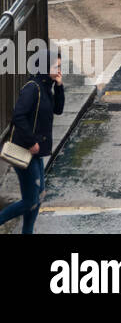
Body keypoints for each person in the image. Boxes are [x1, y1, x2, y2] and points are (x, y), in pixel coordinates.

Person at [0, 51, 64, 234]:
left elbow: (58, 110)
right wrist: (30, 142)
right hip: (25, 149)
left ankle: (27, 231)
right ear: (44, 68)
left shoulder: (46, 87)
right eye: (56, 67)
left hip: (35, 151)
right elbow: (18, 116)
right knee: (30, 200)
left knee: (38, 195)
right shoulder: (32, 88)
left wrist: (59, 86)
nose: (59, 70)